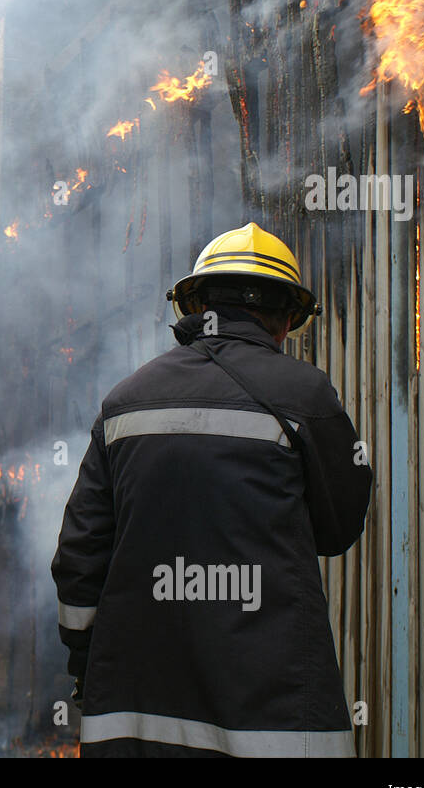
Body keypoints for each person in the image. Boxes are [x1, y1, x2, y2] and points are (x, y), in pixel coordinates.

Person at [51, 222, 373, 757]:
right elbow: (338, 528)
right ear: (286, 319)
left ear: (196, 308)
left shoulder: (124, 401)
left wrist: (89, 665)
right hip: (275, 721)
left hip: (133, 722)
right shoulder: (306, 394)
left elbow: (78, 561)